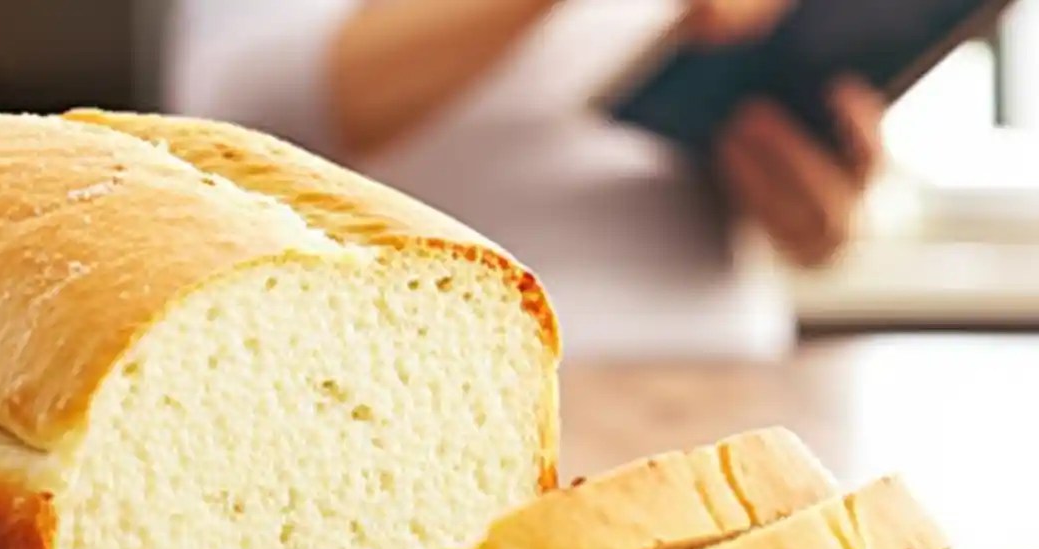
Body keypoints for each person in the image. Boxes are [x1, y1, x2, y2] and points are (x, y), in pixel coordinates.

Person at [166, 0, 885, 359]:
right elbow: (237, 110)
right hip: (440, 397)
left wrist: (816, 208)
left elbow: (807, 235)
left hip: (731, 384)